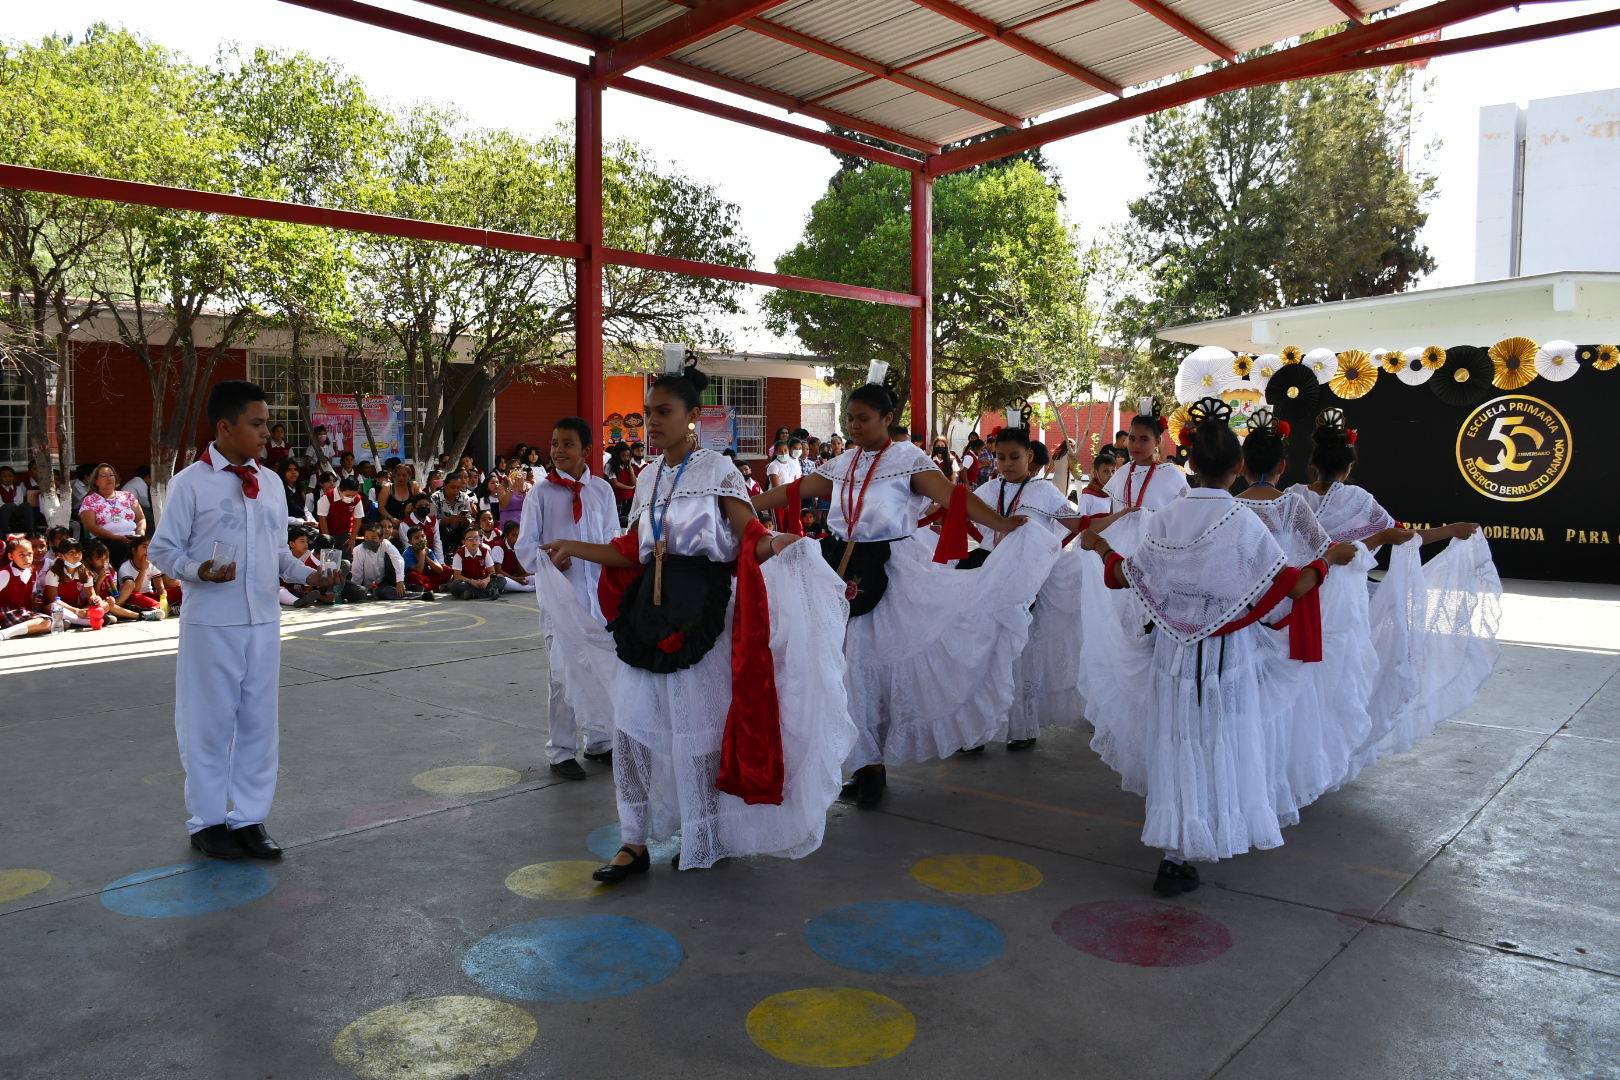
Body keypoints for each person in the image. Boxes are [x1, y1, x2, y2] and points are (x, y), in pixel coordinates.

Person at [538, 364, 855, 882]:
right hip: (649, 613)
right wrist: (575, 547)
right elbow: (631, 550)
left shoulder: (717, 471)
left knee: (697, 731)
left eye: (664, 412)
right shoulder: (646, 476)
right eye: (647, 414)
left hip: (703, 614)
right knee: (632, 730)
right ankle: (633, 842)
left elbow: (748, 534)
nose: (653, 422)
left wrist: (784, 545)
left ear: (693, 417)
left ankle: (707, 835)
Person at [1079, 398, 1360, 895]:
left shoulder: (1165, 519)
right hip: (1228, 654)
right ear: (1237, 468)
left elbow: (1125, 575)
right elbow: (1289, 587)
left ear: (1188, 463)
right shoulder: (1242, 522)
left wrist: (1101, 545)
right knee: (1220, 741)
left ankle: (1174, 852)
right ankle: (1209, 833)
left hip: (1172, 653)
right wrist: (1326, 563)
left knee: (1176, 739)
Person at [751, 383, 1058, 808]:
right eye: (851, 419)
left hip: (892, 569)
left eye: (864, 418)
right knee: (845, 668)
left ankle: (873, 767)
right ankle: (864, 764)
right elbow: (792, 491)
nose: (855, 426)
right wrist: (740, 508)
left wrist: (1001, 525)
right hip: (840, 566)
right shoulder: (843, 462)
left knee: (872, 668)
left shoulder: (907, 459)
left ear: (886, 419)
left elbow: (953, 497)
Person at [149, 380, 339, 861]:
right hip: (212, 622)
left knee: (258, 722)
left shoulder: (272, 484)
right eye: (255, 424)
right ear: (225, 427)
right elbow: (162, 551)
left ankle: (250, 817)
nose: (265, 433)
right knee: (207, 723)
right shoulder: (190, 483)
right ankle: (209, 821)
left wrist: (311, 576)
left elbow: (279, 555)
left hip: (262, 621)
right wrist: (198, 571)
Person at [513, 416, 619, 780]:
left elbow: (611, 540)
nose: (558, 450)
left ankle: (600, 741)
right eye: (554, 443)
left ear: (587, 449)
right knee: (562, 674)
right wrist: (550, 561)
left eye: (567, 444)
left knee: (600, 667)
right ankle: (561, 750)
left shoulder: (601, 491)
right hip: (560, 598)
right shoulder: (541, 493)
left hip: (598, 597)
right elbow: (525, 547)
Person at [968, 426, 1086, 752]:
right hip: (990, 581)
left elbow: (1074, 526)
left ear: (1029, 456)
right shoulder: (988, 489)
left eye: (1014, 457)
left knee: (1021, 653)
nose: (1006, 463)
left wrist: (1105, 525)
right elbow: (966, 524)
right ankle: (976, 730)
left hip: (1028, 586)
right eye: (1000, 457)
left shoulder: (1044, 493)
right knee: (983, 655)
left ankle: (1022, 726)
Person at [1104, 410, 1189, 514]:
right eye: (1132, 439)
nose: (1136, 445)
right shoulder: (1123, 471)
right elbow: (1112, 513)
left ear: (1157, 441)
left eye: (1144, 440)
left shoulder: (1171, 474)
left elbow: (1183, 514)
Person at [79, 464, 146, 568]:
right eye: (104, 476)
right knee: (121, 547)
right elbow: (91, 526)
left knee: (148, 546)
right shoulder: (90, 500)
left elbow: (141, 518)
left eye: (111, 475)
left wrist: (140, 533)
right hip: (106, 539)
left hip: (132, 537)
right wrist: (118, 537)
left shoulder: (127, 496)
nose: (109, 478)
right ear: (96, 481)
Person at [41, 536, 107, 630]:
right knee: (55, 607)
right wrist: (76, 611)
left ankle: (72, 621)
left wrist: (96, 599)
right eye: (71, 552)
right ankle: (88, 622)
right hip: (59, 608)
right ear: (61, 555)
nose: (76, 555)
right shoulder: (53, 573)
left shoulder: (85, 572)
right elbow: (53, 600)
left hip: (77, 608)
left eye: (78, 552)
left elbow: (91, 595)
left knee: (104, 604)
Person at [0, 537, 51, 641]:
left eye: (29, 554)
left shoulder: (32, 571)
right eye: (21, 555)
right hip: (6, 610)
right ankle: (4, 633)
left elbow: (31, 595)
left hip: (22, 610)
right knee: (46, 622)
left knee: (51, 622)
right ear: (10, 556)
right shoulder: (6, 573)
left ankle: (12, 630)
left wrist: (35, 604)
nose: (27, 558)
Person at [115, 535, 174, 620]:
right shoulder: (125, 567)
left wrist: (163, 598)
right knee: (135, 597)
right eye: (144, 547)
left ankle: (164, 607)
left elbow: (160, 587)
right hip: (136, 597)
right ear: (134, 550)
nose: (148, 551)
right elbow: (136, 589)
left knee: (179, 590)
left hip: (150, 595)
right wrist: (143, 569)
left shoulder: (152, 564)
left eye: (150, 548)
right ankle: (165, 608)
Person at [83, 540, 143, 622]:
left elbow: (114, 594)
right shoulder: (88, 573)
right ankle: (139, 616)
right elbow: (93, 598)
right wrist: (99, 581)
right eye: (99, 559)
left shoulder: (111, 572)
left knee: (130, 584)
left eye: (106, 559)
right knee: (106, 605)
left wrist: (112, 599)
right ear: (90, 560)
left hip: (111, 604)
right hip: (94, 604)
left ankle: (110, 614)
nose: (104, 562)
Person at [448, 529, 505, 601]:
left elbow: (492, 573)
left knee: (502, 579)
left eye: (476, 538)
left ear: (480, 540)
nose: (474, 541)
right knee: (456, 584)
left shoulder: (484, 552)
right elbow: (457, 576)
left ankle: (472, 594)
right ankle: (488, 593)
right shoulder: (459, 554)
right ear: (464, 542)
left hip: (482, 582)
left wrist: (485, 581)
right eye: (470, 539)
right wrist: (472, 582)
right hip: (467, 582)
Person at [280, 527, 323, 608]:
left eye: (306, 541)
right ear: (292, 544)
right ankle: (297, 600)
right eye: (302, 541)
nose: (306, 544)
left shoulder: (310, 556)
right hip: (288, 585)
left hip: (305, 587)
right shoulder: (285, 556)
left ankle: (307, 597)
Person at [403, 526, 452, 597]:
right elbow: (418, 571)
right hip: (417, 578)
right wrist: (422, 554)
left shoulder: (428, 551)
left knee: (447, 569)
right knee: (413, 576)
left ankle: (430, 587)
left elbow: (440, 570)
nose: (421, 540)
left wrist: (426, 557)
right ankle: (438, 588)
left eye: (423, 536)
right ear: (410, 541)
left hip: (428, 577)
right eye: (417, 538)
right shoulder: (407, 553)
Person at [1078, 450, 1116, 526]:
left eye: (1113, 471)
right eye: (1105, 471)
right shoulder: (1087, 496)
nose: (1110, 475)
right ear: (1095, 473)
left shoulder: (1116, 494)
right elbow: (1081, 522)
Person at [0, 465, 30, 537]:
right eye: (4, 476)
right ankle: (4, 531)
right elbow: (0, 503)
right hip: (3, 511)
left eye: (10, 476)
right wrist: (10, 506)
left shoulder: (17, 488)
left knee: (26, 505)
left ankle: (30, 530)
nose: (7, 478)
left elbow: (19, 500)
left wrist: (14, 506)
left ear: (13, 477)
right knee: (7, 506)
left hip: (17, 510)